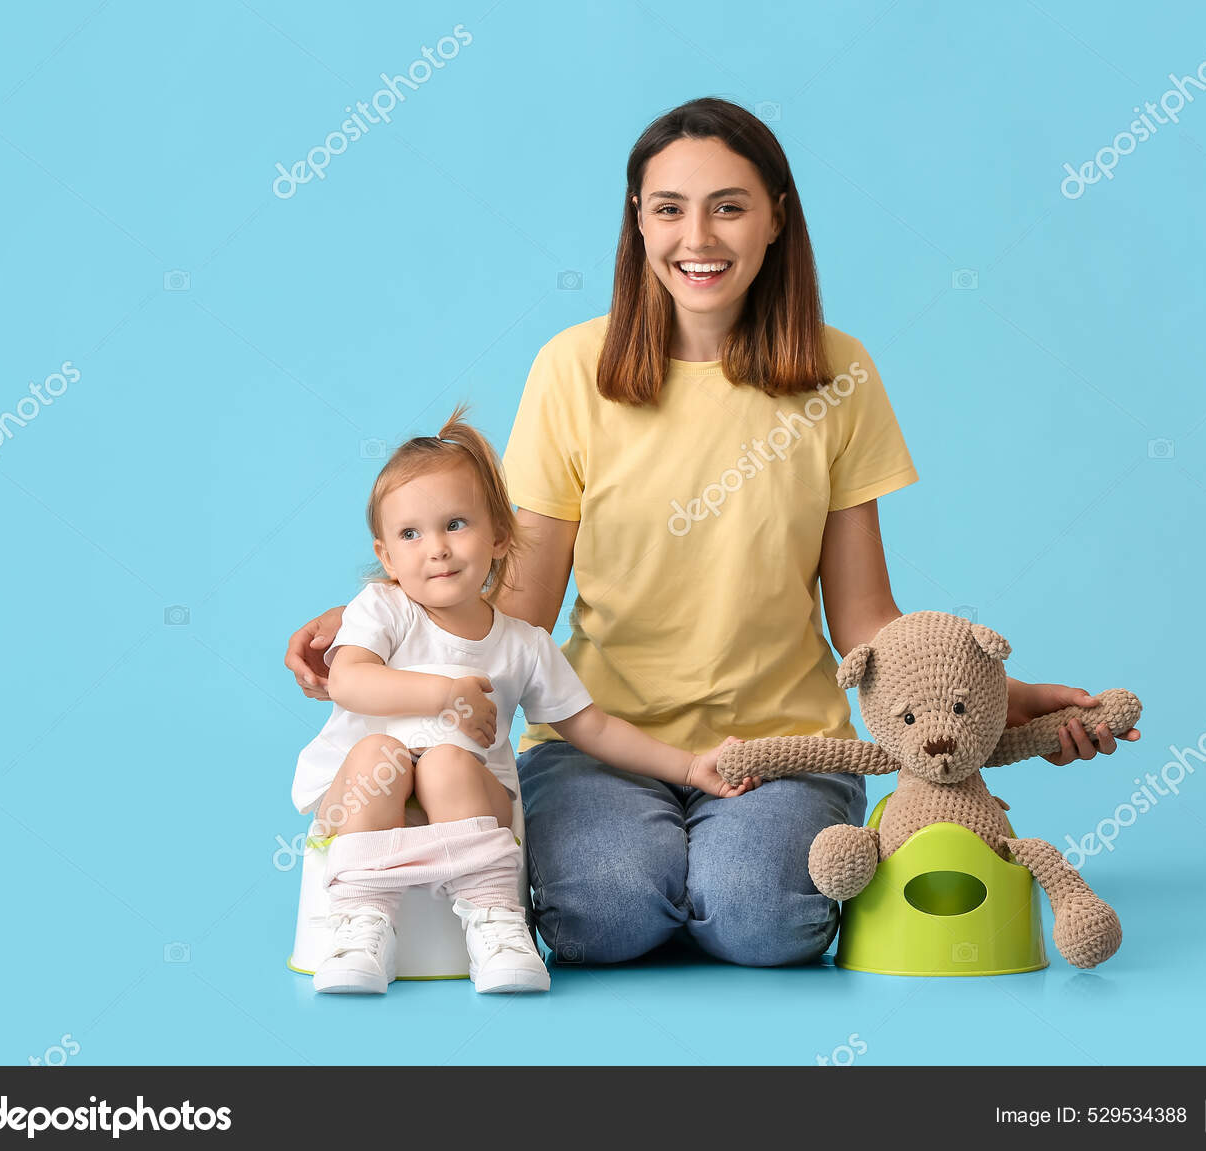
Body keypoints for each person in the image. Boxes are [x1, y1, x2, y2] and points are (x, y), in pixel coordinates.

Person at [287, 96, 1138, 969]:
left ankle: (710, 876)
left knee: (763, 922)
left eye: (729, 206)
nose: (699, 237)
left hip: (782, 746)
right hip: (599, 742)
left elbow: (864, 620)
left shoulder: (841, 374)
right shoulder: (572, 369)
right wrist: (388, 618)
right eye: (670, 208)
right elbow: (522, 602)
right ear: (639, 221)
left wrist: (998, 695)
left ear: (776, 217)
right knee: (601, 919)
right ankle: (656, 873)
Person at [295, 404, 752, 995]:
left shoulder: (522, 644)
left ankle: (494, 922)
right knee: (380, 755)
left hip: (466, 793)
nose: (434, 548)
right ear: (386, 556)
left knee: (446, 762)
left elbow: (593, 728)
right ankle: (361, 924)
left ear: (500, 536)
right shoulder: (381, 609)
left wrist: (690, 767)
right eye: (410, 534)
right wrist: (445, 694)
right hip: (358, 794)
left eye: (455, 524)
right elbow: (351, 681)